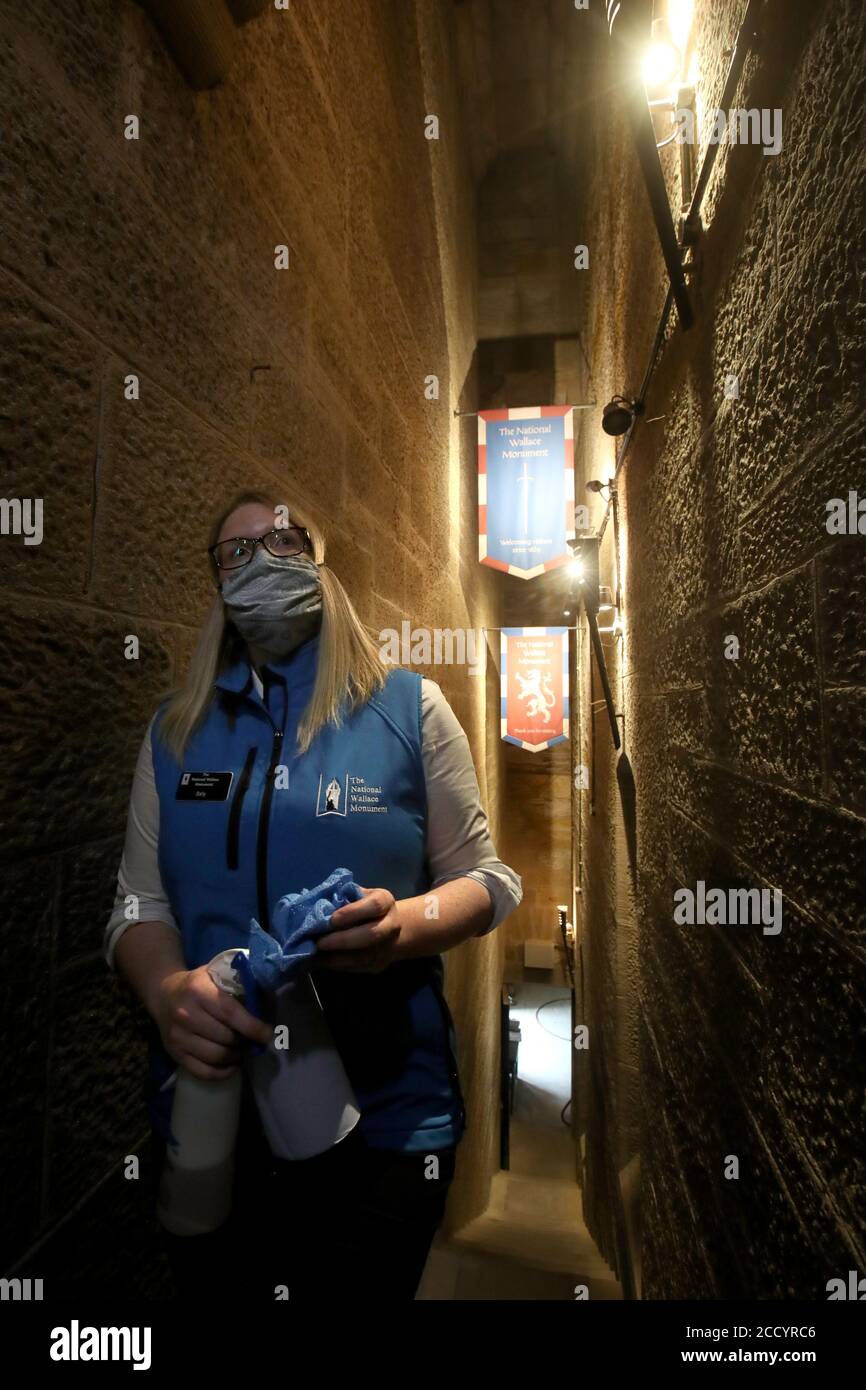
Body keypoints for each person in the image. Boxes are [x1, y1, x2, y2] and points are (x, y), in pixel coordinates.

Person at [104, 488, 522, 1301]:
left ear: (323, 570)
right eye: (237, 552)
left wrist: (401, 926)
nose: (261, 560)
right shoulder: (175, 733)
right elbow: (138, 904)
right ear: (217, 584)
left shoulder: (409, 708)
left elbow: (487, 879)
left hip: (388, 1122)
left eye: (285, 542)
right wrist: (165, 993)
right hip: (212, 1115)